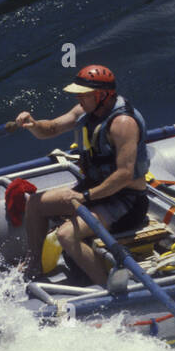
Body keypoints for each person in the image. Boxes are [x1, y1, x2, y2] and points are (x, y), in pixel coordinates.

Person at [13, 64, 149, 283]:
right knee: (36, 204)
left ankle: (105, 286)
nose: (79, 100)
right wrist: (33, 124)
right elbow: (52, 128)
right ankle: (34, 264)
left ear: (102, 95)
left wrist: (85, 197)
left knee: (67, 235)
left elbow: (125, 174)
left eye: (84, 95)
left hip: (125, 202)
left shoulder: (123, 124)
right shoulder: (85, 111)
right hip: (94, 190)